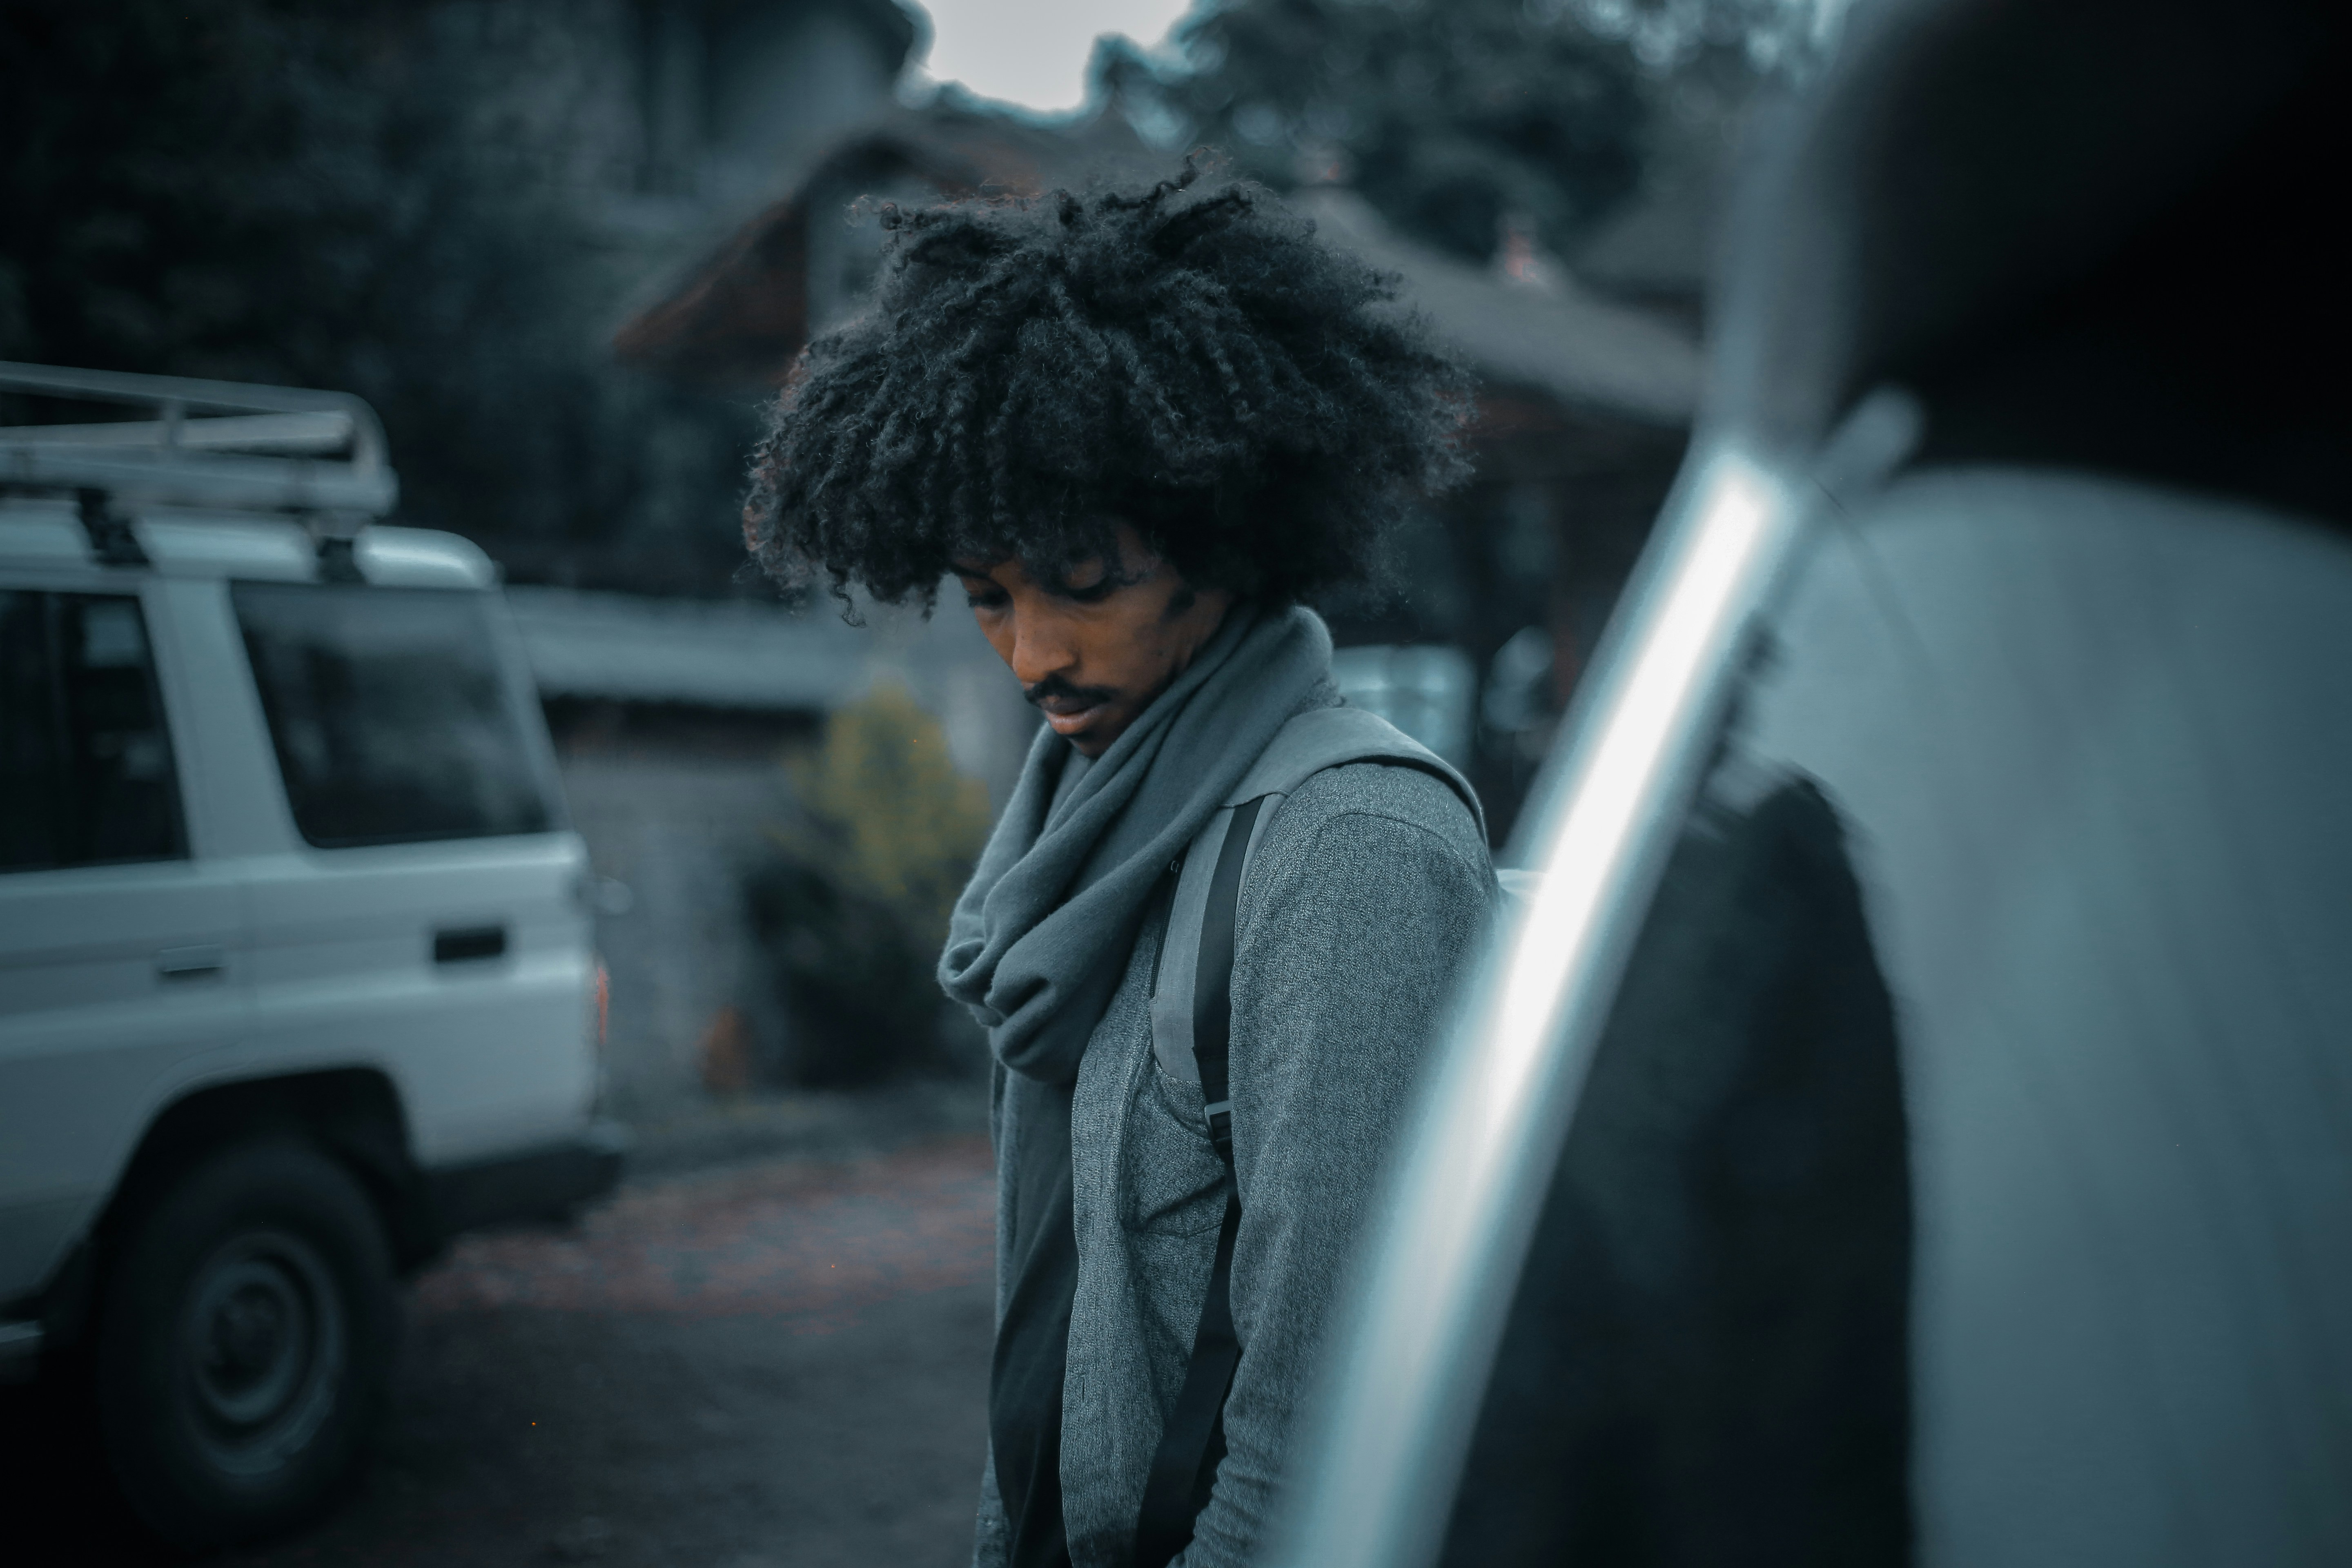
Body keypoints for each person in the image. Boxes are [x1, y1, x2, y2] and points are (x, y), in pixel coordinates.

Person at [743, 166, 1495, 1568]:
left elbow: (1322, 1420)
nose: (1034, 656)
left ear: (1229, 543)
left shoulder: (1348, 851)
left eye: (1086, 586)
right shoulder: (1076, 832)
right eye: (988, 598)